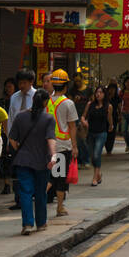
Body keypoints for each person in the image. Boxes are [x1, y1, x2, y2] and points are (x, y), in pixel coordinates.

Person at [9, 89, 57, 235]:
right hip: (42, 161)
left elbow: (12, 138)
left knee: (25, 192)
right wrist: (54, 156)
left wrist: (19, 149)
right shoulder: (48, 118)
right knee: (40, 192)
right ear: (45, 102)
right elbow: (50, 139)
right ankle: (41, 223)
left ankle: (28, 223)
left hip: (23, 160)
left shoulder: (20, 116)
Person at [44, 69, 78, 216]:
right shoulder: (68, 103)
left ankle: (41, 199)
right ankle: (59, 207)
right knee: (59, 178)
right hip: (63, 146)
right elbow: (72, 126)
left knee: (51, 175)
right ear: (65, 86)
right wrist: (75, 146)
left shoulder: (46, 102)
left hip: (47, 145)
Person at [6, 69, 36, 210]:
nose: (21, 86)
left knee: (31, 169)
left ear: (31, 82)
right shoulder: (14, 97)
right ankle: (19, 199)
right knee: (17, 170)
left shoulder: (37, 96)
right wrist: (9, 140)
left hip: (32, 140)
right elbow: (11, 119)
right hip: (16, 140)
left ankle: (30, 196)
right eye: (20, 83)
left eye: (24, 83)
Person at [82, 85, 111, 186]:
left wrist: (111, 126)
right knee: (92, 156)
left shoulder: (108, 106)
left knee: (96, 154)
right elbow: (83, 116)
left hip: (101, 133)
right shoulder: (90, 104)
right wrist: (84, 122)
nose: (98, 94)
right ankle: (98, 174)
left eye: (101, 92)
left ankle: (94, 177)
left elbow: (109, 120)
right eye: (97, 92)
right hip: (91, 133)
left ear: (104, 94)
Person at [120, 76, 129, 153]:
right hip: (124, 113)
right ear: (124, 83)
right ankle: (128, 145)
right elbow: (120, 102)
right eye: (126, 82)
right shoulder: (122, 92)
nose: (128, 83)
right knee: (123, 130)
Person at [104, 81, 120, 154]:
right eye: (111, 89)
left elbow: (119, 107)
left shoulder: (117, 98)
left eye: (114, 89)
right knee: (105, 132)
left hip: (114, 117)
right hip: (105, 116)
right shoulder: (105, 97)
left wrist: (120, 115)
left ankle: (109, 149)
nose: (112, 90)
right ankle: (107, 146)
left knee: (112, 133)